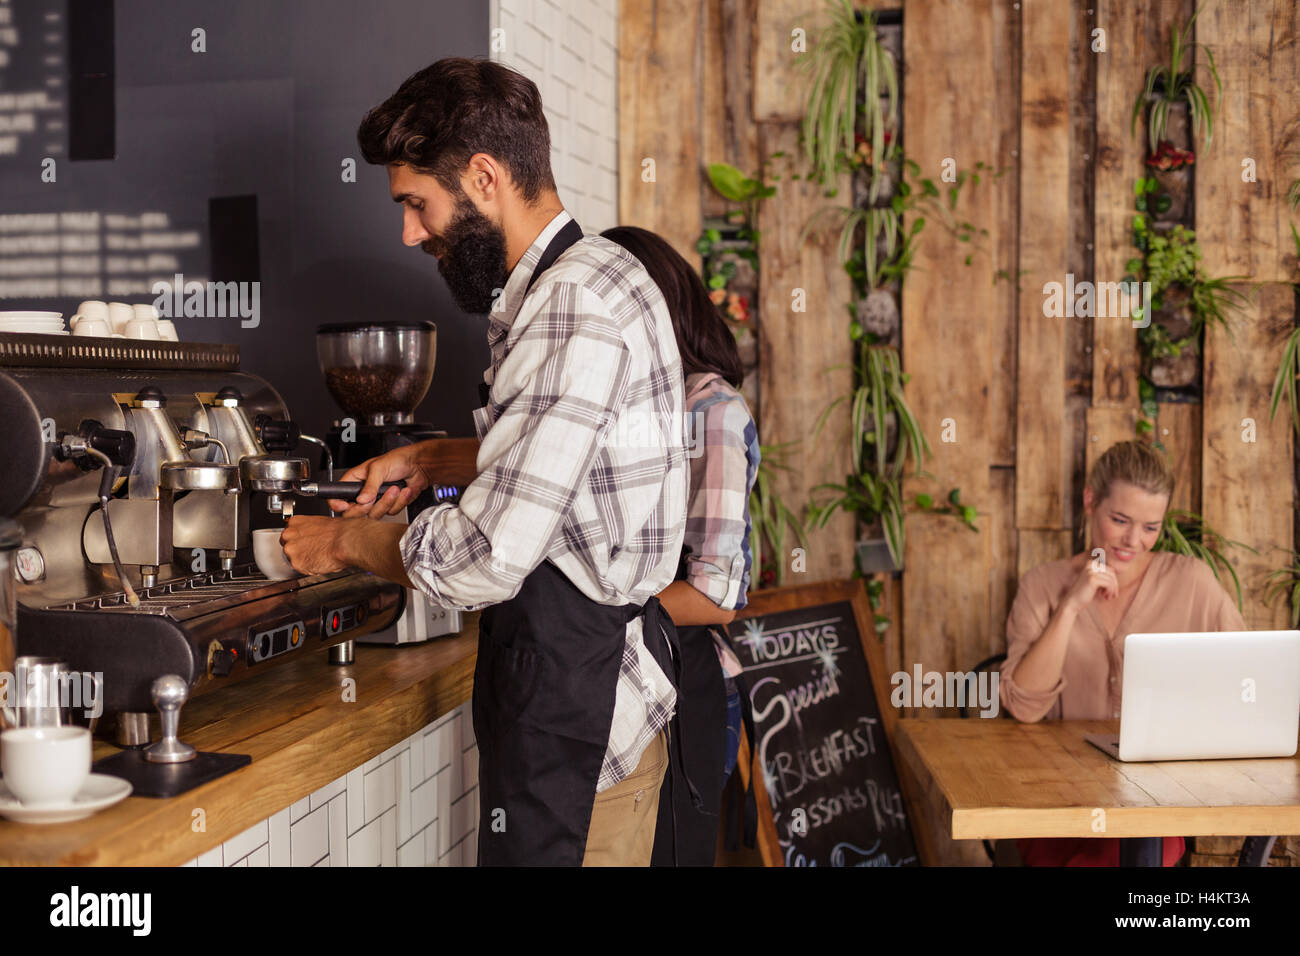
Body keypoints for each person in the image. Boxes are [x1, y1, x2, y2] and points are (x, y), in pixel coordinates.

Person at [280, 57, 690, 867]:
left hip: (580, 736)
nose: (410, 233)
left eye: (416, 204)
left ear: (484, 176)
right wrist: (431, 459)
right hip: (600, 711)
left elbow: (487, 558)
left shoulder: (568, 305)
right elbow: (583, 457)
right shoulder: (607, 274)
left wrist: (339, 546)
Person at [1000, 440, 1246, 866]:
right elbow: (1023, 706)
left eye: (1151, 527)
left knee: (1138, 846)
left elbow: (1247, 681)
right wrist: (1071, 607)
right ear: (1090, 500)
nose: (1134, 540)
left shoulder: (1192, 582)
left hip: (1152, 803)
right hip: (1055, 800)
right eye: (1120, 520)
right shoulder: (1042, 585)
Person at [601, 226, 761, 866]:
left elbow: (715, 595)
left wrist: (594, 614)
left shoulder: (711, 411)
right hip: (635, 678)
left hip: (685, 685)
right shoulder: (642, 409)